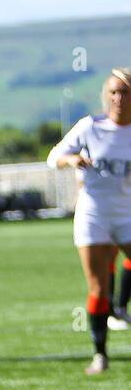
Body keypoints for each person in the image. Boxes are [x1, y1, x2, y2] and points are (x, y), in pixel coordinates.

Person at [47, 67, 131, 374]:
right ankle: (100, 354)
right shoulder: (90, 126)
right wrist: (71, 159)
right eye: (113, 92)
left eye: (124, 92)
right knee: (98, 288)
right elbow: (53, 157)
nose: (118, 98)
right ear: (105, 96)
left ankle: (121, 310)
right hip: (93, 213)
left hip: (127, 213)